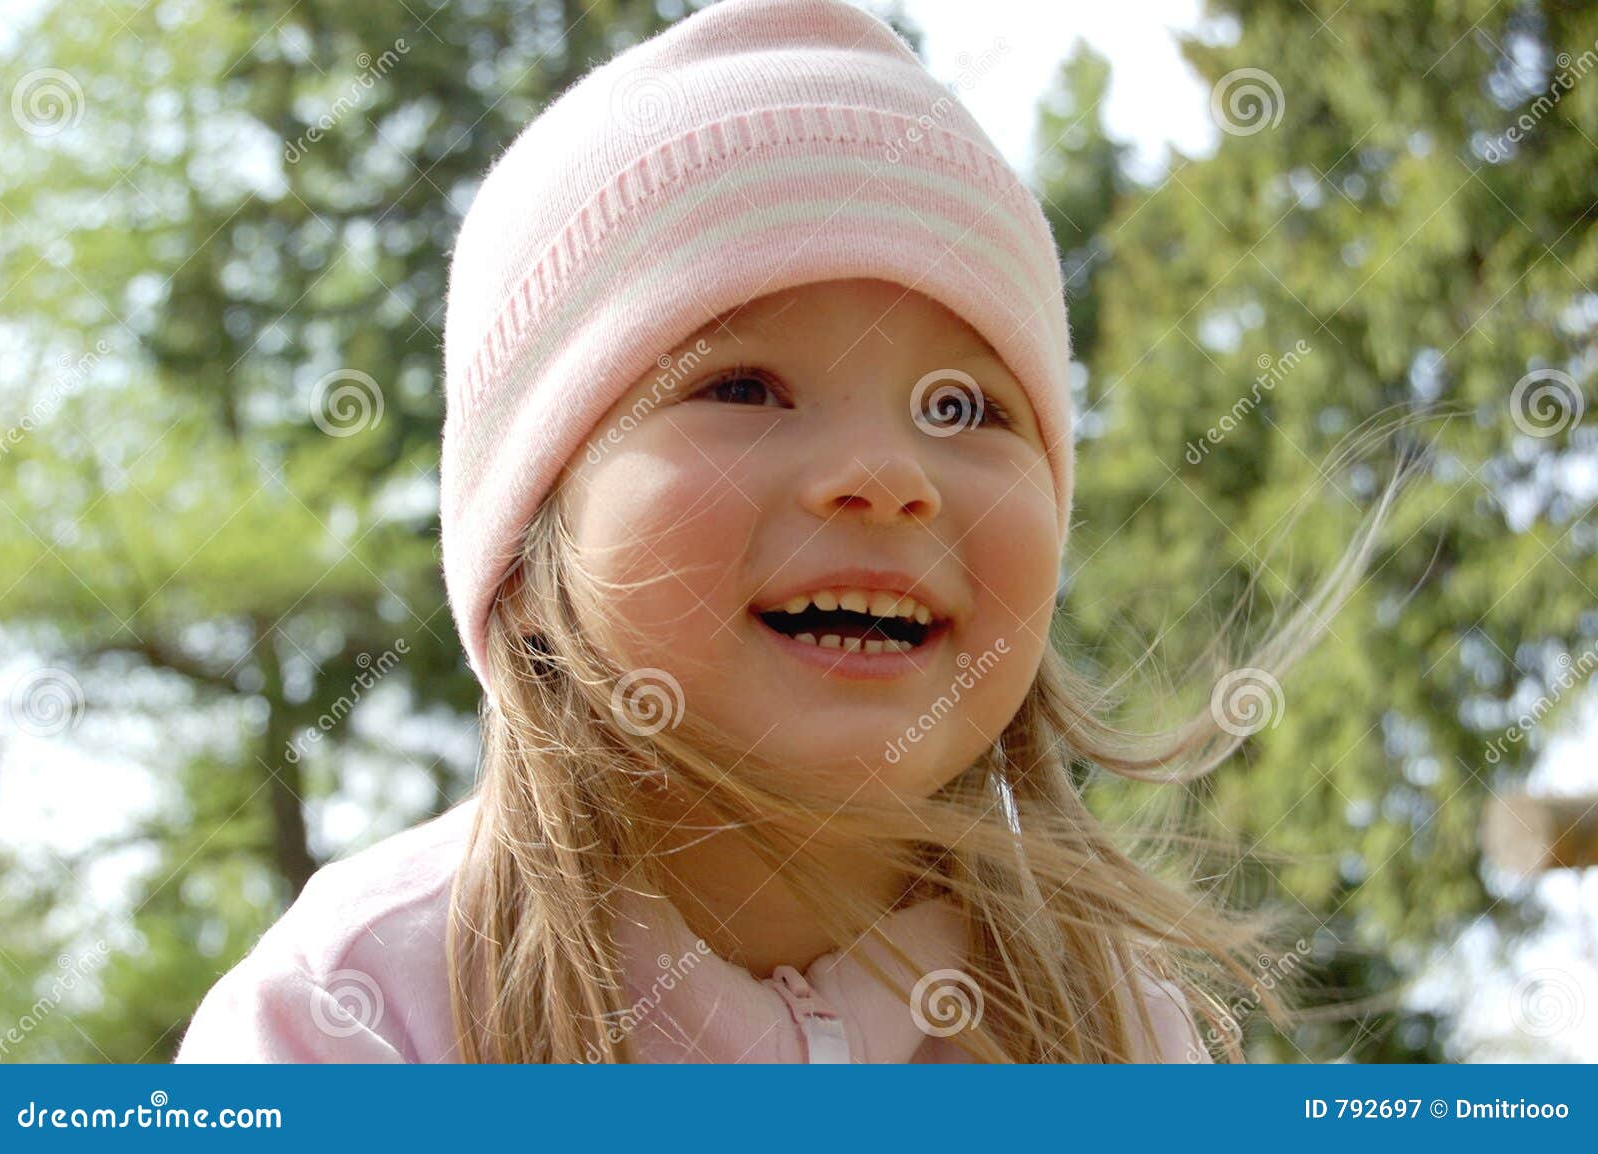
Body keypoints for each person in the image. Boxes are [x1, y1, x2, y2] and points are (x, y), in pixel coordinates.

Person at [177, 0, 1380, 1064]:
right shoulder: (351, 1021)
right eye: (744, 388)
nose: (886, 473)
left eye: (963, 406)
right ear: (530, 537)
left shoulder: (1105, 1029)